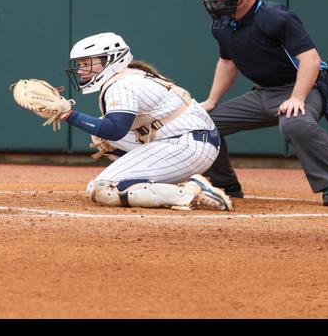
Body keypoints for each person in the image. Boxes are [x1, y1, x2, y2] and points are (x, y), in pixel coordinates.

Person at [196, 0, 328, 206]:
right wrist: (212, 100)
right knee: (201, 123)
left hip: (304, 87)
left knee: (295, 123)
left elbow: (310, 60)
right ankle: (224, 184)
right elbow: (227, 62)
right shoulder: (222, 25)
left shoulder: (274, 16)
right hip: (264, 93)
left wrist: (298, 98)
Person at [50, 32, 231, 212]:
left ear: (111, 60)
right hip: (189, 139)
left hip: (187, 146)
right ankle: (171, 177)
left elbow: (115, 129)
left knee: (104, 189)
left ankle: (190, 191)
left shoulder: (122, 84)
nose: (80, 70)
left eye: (87, 63)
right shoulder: (131, 75)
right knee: (98, 134)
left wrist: (68, 114)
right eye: (80, 64)